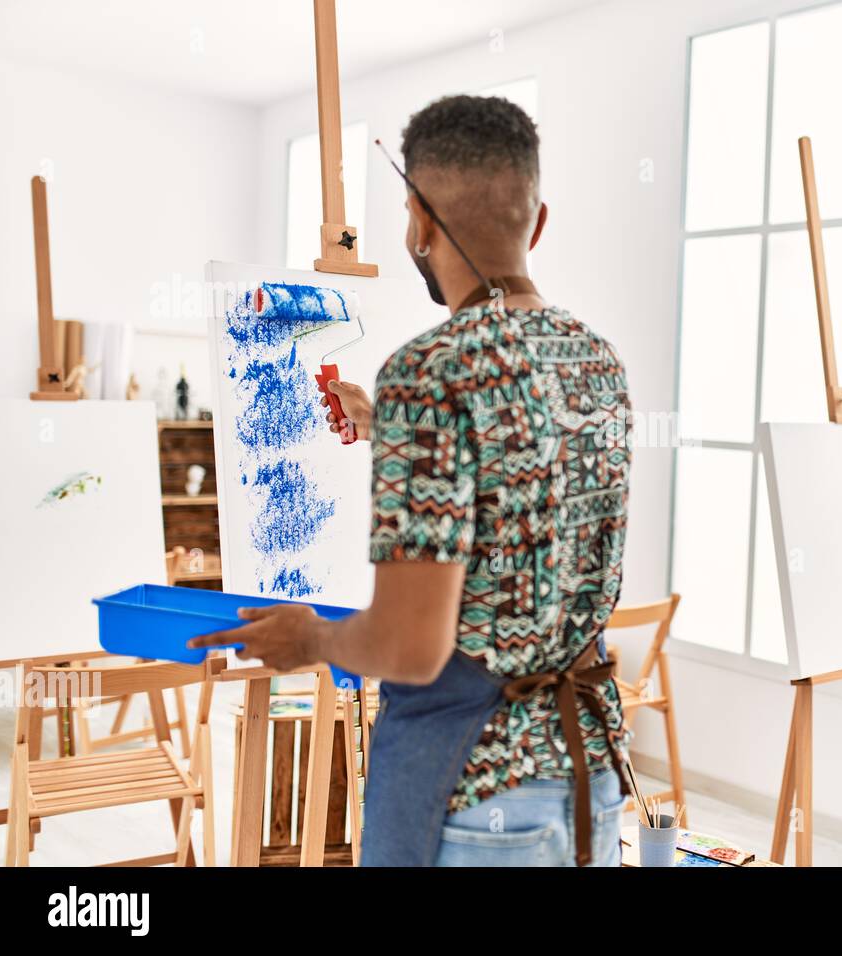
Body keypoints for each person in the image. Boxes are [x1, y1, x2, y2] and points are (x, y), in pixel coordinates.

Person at [192, 95, 632, 866]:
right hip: (588, 776)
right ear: (537, 223)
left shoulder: (430, 372)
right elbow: (522, 513)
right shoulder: (596, 361)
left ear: (419, 223)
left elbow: (409, 647)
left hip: (474, 795)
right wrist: (392, 431)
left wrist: (312, 637)